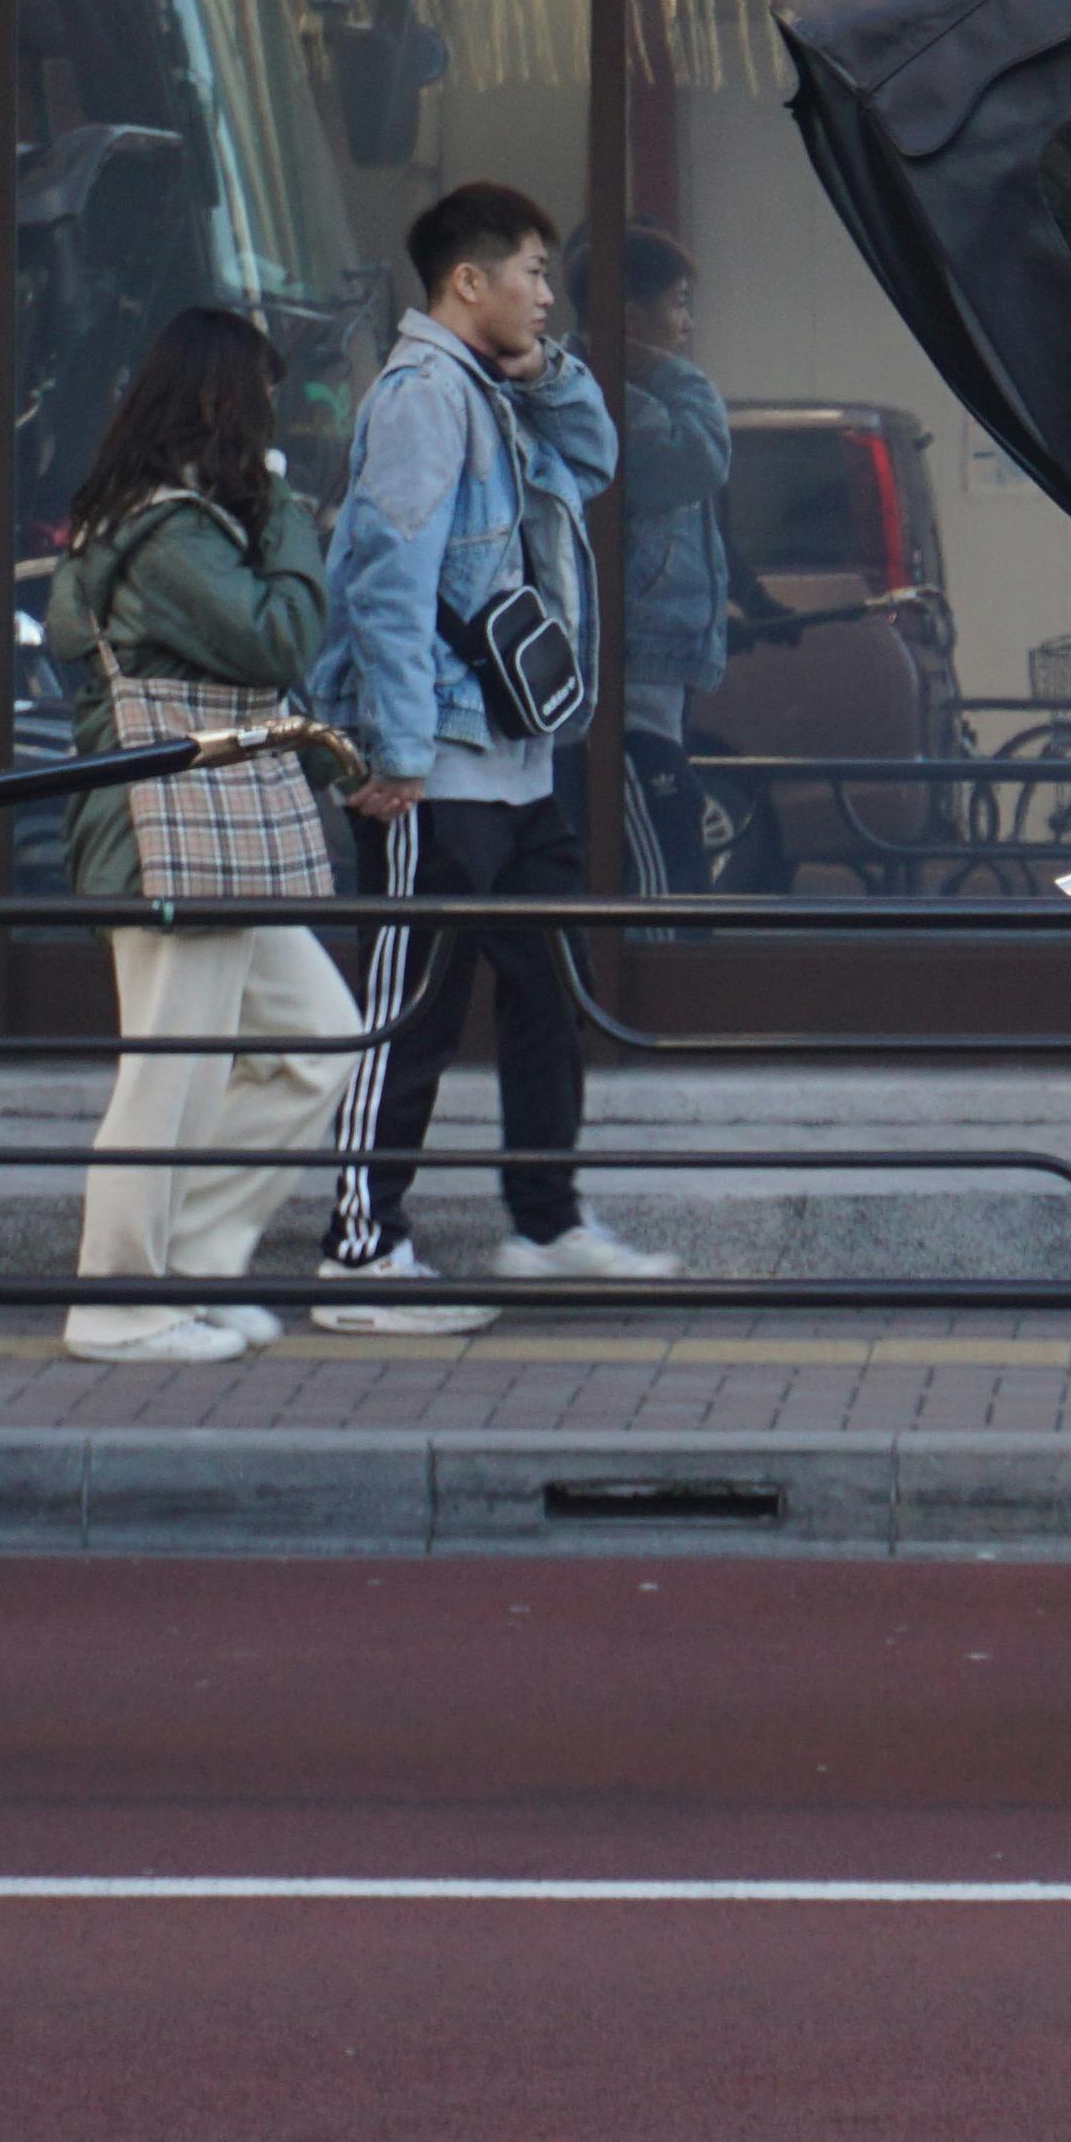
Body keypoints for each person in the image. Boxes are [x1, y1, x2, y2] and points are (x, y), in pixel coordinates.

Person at [310, 180, 676, 1314]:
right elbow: (387, 579)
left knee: (542, 987)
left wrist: (548, 372)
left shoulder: (496, 389)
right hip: (442, 764)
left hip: (514, 761)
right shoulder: (423, 394)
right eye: (532, 273)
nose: (548, 298)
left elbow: (603, 457)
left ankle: (545, 1221)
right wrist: (402, 752)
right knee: (414, 1001)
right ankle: (361, 1248)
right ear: (468, 280)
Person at [51, 305, 358, 1362]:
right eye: (264, 398)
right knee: (170, 1072)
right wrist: (289, 512)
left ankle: (187, 1265)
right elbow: (278, 633)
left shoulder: (165, 518)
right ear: (228, 401)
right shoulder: (167, 528)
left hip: (206, 824)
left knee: (320, 1039)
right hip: (164, 825)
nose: (276, 419)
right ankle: (120, 1303)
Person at [609, 228, 739, 896]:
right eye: (678, 304)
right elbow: (703, 457)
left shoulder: (638, 400)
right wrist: (661, 367)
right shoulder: (616, 401)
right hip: (628, 690)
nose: (687, 325)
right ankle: (655, 1002)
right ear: (630, 319)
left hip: (656, 679)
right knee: (670, 874)